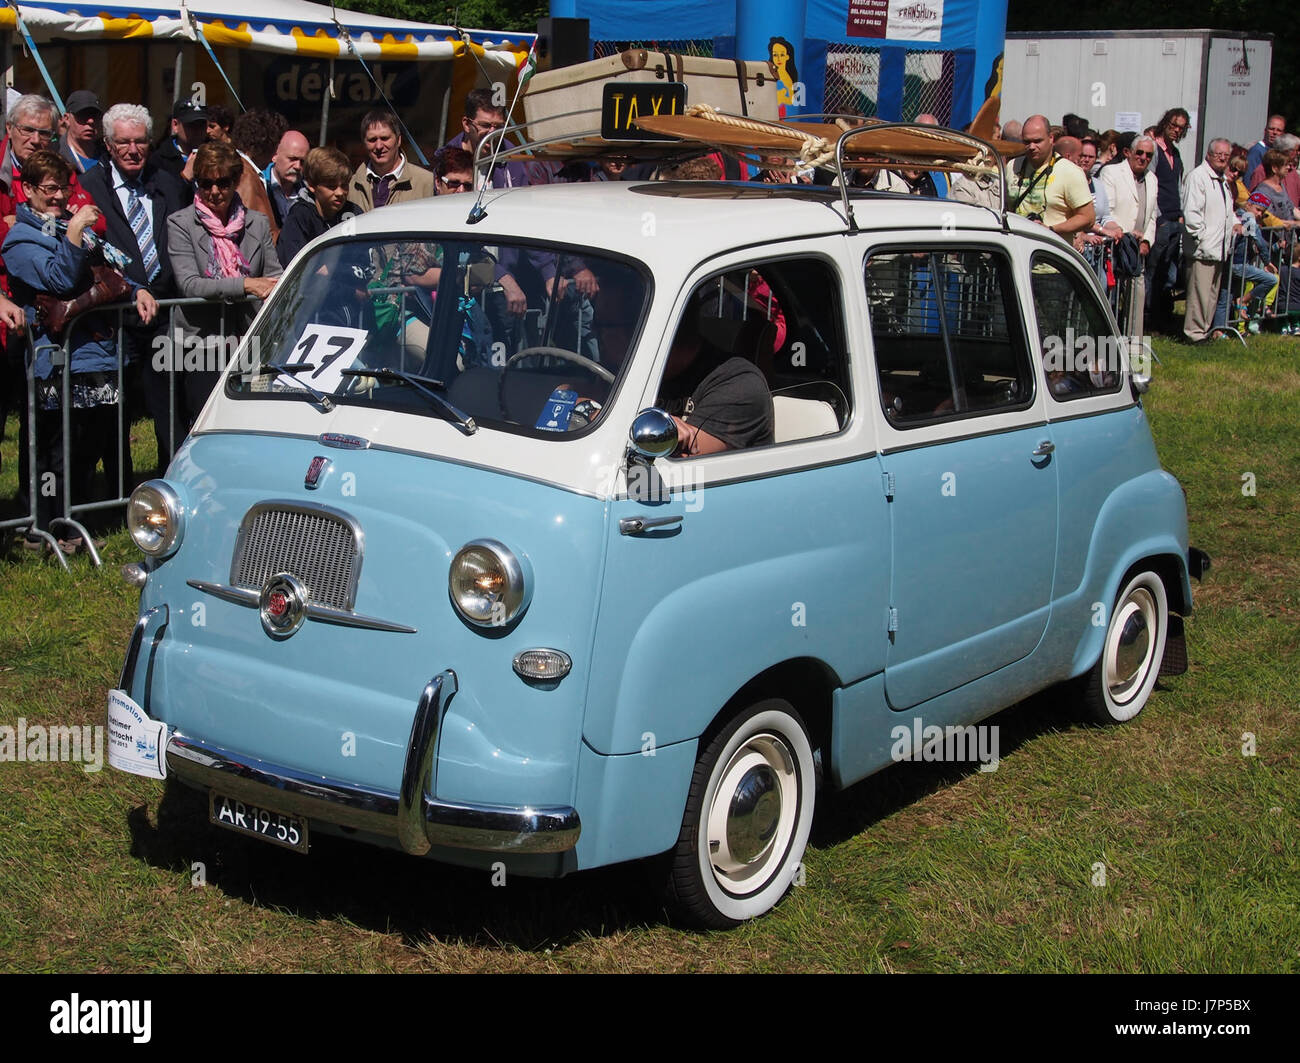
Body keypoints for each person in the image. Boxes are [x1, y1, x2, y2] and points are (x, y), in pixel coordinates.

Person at [3, 150, 157, 551]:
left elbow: (114, 268)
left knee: (87, 445)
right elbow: (57, 279)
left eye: (63, 188)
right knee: (54, 451)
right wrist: (73, 235)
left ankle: (77, 522)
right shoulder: (20, 239)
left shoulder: (71, 228)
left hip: (97, 354)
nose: (57, 197)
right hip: (53, 360)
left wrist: (138, 289)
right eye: (49, 189)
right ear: (29, 190)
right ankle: (47, 526)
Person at [80, 102, 188, 463]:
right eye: (124, 142)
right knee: (113, 416)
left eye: (140, 141)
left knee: (168, 411)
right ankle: (118, 495)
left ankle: (169, 486)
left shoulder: (169, 186)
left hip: (163, 316)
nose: (133, 150)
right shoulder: (89, 189)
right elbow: (91, 252)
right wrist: (131, 287)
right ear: (108, 145)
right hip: (116, 319)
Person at [167, 141, 281, 421]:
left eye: (222, 182)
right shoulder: (180, 223)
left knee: (252, 419)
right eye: (206, 183)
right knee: (208, 421)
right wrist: (245, 285)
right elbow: (190, 284)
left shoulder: (257, 222)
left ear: (236, 181)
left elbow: (274, 274)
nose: (215, 191)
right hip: (201, 344)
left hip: (250, 341)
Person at [656, 295, 774, 455]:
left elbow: (684, 467)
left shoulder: (739, 384)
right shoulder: (624, 375)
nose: (608, 343)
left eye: (610, 326)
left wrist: (657, 431)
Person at [1101, 136, 1159, 336]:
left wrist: (1146, 241)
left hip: (1137, 250)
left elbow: (1151, 216)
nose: (1143, 158)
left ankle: (1134, 349)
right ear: (1129, 153)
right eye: (1140, 153)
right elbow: (1106, 210)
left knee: (1136, 299)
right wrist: (1122, 233)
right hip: (1114, 245)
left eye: (1148, 155)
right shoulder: (1112, 172)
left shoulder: (1152, 179)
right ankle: (1107, 345)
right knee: (1110, 298)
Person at [1182, 139, 1238, 344]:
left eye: (1226, 155)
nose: (1223, 158)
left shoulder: (1222, 180)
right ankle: (1194, 333)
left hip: (1219, 248)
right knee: (1199, 294)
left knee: (1211, 295)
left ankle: (1204, 330)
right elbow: (1191, 213)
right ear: (1208, 155)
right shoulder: (1198, 177)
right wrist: (1202, 237)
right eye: (1218, 154)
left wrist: (1236, 224)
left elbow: (1226, 212)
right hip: (1203, 248)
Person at [1005, 115, 1095, 239]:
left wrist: (1050, 229)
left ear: (1051, 138)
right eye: (1027, 142)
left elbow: (1088, 218)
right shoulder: (1012, 166)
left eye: (1037, 141)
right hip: (1017, 247)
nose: (1031, 147)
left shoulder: (1070, 172)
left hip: (1051, 252)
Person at [276, 146, 362, 267]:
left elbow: (363, 260)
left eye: (344, 185)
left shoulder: (353, 214)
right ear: (312, 185)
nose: (340, 193)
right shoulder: (300, 216)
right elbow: (295, 264)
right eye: (331, 186)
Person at [1145, 107, 1189, 333]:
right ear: (1165, 123)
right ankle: (1147, 318)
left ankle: (1162, 316)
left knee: (1167, 273)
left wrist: (1180, 213)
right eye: (1173, 125)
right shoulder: (1154, 148)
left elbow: (1178, 185)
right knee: (1152, 271)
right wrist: (1159, 217)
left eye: (1181, 127)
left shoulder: (1176, 154)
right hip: (1160, 219)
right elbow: (1150, 184)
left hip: (1175, 218)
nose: (1176, 130)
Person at [349, 110, 434, 211]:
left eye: (384, 138)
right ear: (364, 144)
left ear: (398, 140)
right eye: (372, 140)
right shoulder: (351, 185)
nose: (379, 146)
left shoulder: (427, 182)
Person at [148, 99, 207, 188]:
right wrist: (185, 177)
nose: (197, 130)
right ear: (175, 125)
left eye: (201, 124)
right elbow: (163, 197)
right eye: (191, 125)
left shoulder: (217, 153)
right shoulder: (160, 160)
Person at [262, 130, 309, 230]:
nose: (297, 166)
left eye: (302, 161)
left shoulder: (309, 193)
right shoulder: (260, 184)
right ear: (274, 155)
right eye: (292, 159)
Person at [58, 90, 104, 174]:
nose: (90, 121)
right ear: (66, 119)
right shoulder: (57, 157)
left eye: (95, 115)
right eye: (83, 114)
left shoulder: (109, 154)